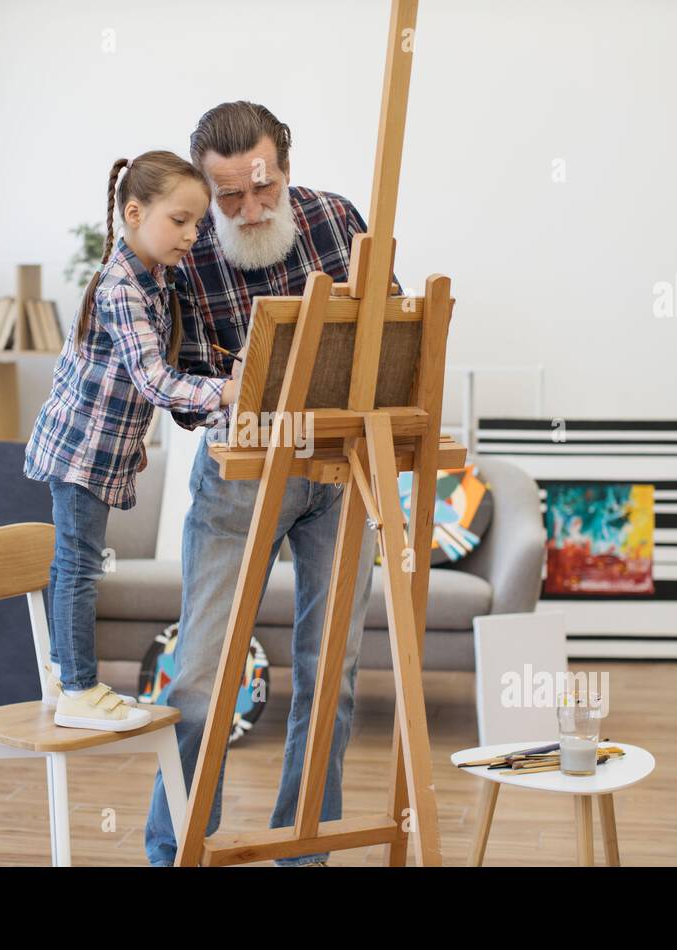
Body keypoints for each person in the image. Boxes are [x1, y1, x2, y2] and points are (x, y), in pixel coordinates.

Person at [145, 102, 394, 865]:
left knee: (333, 678)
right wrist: (227, 391)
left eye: (264, 188)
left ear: (284, 168)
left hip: (337, 472)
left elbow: (393, 331)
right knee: (198, 677)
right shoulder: (183, 251)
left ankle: (304, 853)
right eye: (229, 199)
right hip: (240, 479)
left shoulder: (338, 220)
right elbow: (168, 379)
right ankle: (174, 852)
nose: (250, 210)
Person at [23, 150, 243, 732]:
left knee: (78, 562)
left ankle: (60, 671)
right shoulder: (121, 287)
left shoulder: (155, 280)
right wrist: (227, 393)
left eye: (198, 224)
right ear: (134, 212)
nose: (192, 236)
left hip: (102, 452)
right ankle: (77, 688)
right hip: (78, 451)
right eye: (180, 221)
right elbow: (153, 378)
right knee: (78, 566)